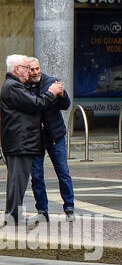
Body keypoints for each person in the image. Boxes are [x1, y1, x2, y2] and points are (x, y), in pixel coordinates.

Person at [1, 55, 63, 226]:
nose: (29, 70)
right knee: (17, 182)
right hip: (19, 143)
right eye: (25, 67)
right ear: (16, 69)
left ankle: (12, 216)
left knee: (17, 182)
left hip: (20, 142)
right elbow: (36, 103)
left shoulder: (14, 85)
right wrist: (52, 92)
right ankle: (13, 217)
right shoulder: (13, 87)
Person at [25, 56, 75, 221]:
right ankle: (42, 211)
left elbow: (65, 105)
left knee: (63, 173)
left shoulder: (52, 82)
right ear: (27, 70)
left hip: (55, 135)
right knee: (37, 176)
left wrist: (62, 94)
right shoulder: (23, 87)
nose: (35, 72)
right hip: (36, 138)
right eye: (31, 69)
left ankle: (69, 208)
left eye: (37, 68)